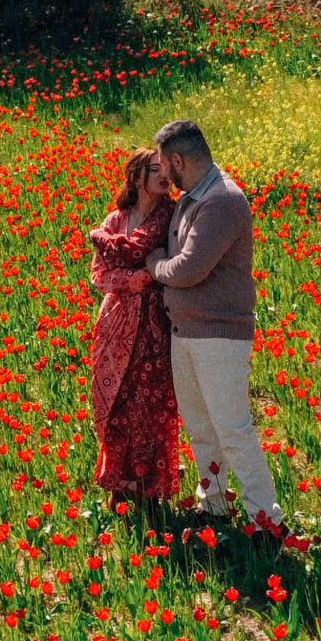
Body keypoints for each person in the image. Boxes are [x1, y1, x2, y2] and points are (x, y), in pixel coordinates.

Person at [146, 118, 287, 537]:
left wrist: (154, 265)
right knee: (201, 428)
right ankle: (215, 504)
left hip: (219, 335)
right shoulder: (192, 198)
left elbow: (189, 269)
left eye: (163, 165)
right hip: (187, 332)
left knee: (232, 430)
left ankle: (267, 522)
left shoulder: (222, 200)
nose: (163, 174)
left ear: (178, 160)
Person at [87, 149, 183, 500]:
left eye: (166, 168)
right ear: (136, 177)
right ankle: (119, 482)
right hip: (116, 322)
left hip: (156, 322)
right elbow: (99, 275)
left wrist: (141, 276)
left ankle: (149, 488)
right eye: (155, 169)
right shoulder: (116, 220)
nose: (164, 176)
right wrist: (136, 279)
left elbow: (170, 261)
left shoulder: (172, 216)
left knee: (151, 406)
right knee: (116, 402)